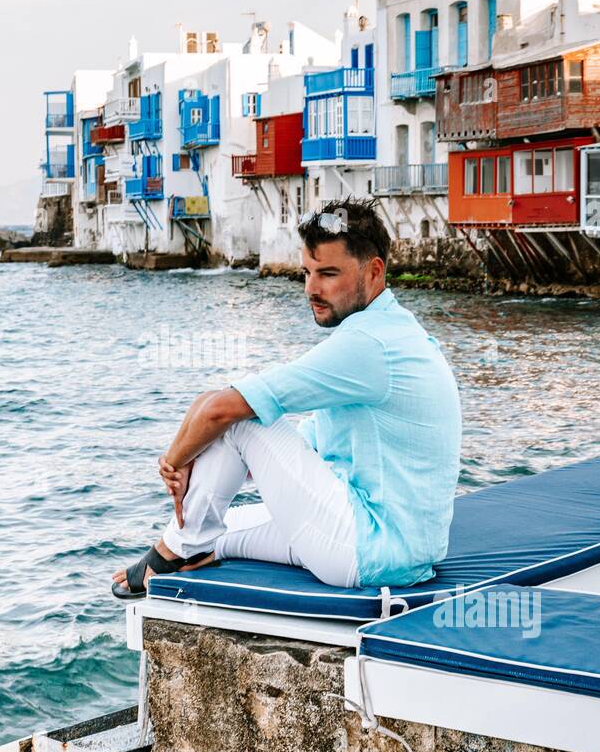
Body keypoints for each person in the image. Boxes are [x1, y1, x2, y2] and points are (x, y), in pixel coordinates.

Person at [112, 197, 462, 599]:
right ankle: (191, 545)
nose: (311, 289)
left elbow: (222, 410)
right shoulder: (391, 329)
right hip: (402, 550)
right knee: (224, 526)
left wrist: (173, 463)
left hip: (366, 549)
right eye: (307, 272)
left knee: (242, 415)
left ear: (374, 271)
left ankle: (172, 549)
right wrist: (214, 456)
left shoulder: (367, 344)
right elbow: (306, 440)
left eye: (328, 274)